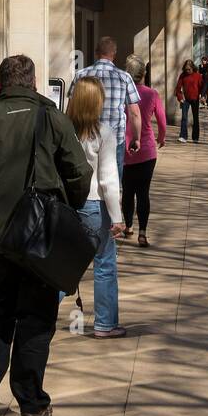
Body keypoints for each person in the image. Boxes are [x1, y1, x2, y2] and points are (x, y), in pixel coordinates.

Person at [0, 54, 91, 416]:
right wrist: (68, 208)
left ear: (1, 81)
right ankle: (31, 402)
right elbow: (79, 172)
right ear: (33, 81)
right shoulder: (52, 117)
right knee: (36, 318)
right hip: (39, 239)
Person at [66, 78, 126, 337]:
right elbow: (108, 178)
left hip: (68, 205)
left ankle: (25, 313)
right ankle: (105, 323)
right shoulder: (104, 133)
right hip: (93, 204)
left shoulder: (63, 131)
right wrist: (117, 217)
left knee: (65, 266)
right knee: (104, 264)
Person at [73, 37, 141, 176]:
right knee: (113, 183)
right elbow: (134, 113)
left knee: (88, 181)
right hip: (115, 139)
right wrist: (136, 138)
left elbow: (71, 109)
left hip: (86, 137)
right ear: (114, 54)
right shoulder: (124, 77)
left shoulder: (81, 75)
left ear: (96, 53)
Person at [121, 56, 166, 245]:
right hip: (147, 149)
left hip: (124, 148)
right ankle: (142, 231)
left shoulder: (122, 94)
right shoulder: (151, 94)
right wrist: (161, 138)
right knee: (143, 192)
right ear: (143, 74)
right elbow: (162, 122)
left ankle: (129, 225)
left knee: (127, 190)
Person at [176, 59, 203, 144]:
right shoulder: (182, 76)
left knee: (195, 118)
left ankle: (195, 137)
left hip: (195, 99)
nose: (187, 71)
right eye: (186, 69)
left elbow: (201, 87)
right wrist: (180, 98)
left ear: (192, 68)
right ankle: (183, 136)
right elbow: (178, 88)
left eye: (189, 69)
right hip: (185, 99)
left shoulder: (198, 76)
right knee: (184, 118)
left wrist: (202, 96)